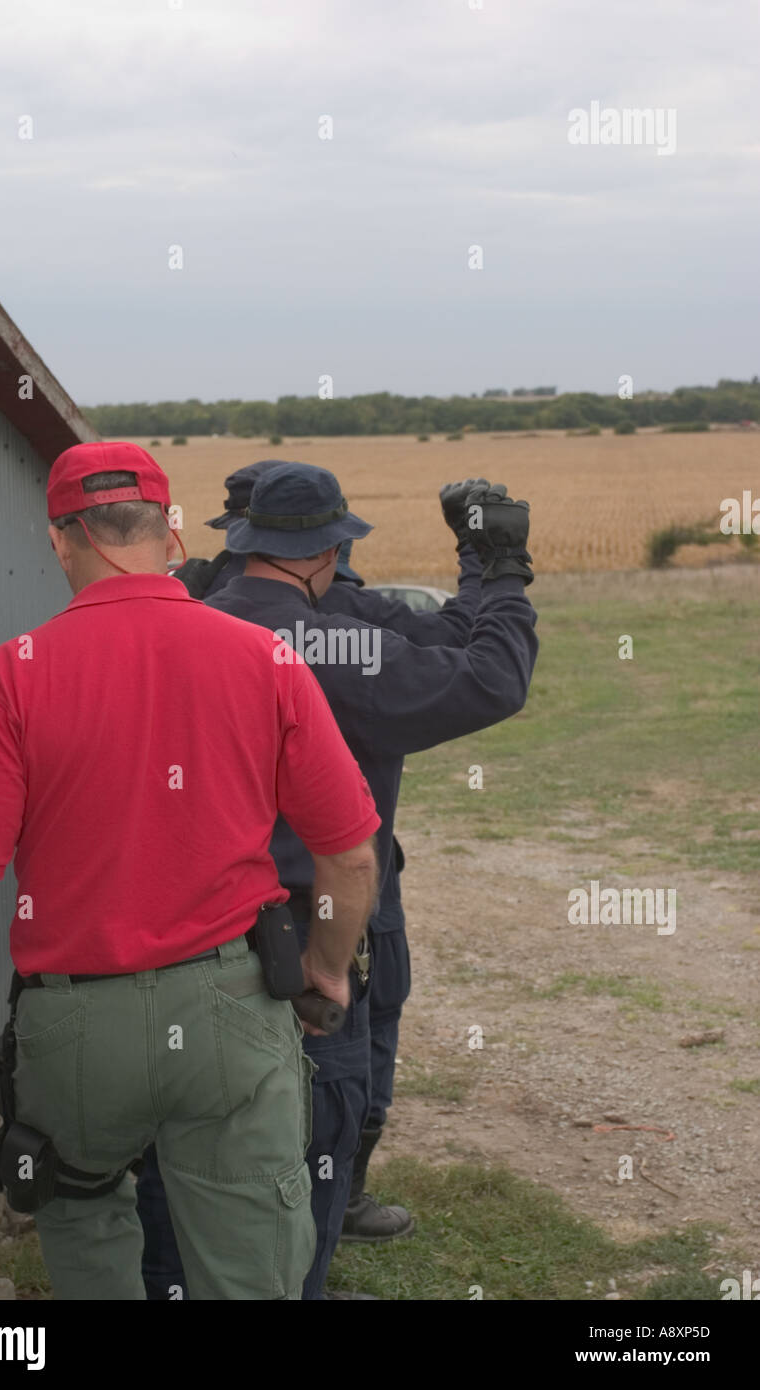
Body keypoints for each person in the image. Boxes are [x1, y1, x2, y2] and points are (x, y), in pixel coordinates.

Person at [0, 441, 380, 1302]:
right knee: (251, 1268)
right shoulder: (264, 660)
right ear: (171, 534)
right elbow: (346, 853)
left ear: (60, 540)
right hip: (234, 1013)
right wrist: (327, 970)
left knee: (88, 1242)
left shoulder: (11, 677)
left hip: (75, 1028)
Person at [141, 460, 538, 1300]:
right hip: (311, 938)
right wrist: (497, 568)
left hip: (191, 938)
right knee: (312, 1149)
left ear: (241, 537)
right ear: (329, 550)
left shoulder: (190, 622)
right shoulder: (337, 643)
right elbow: (489, 676)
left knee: (190, 1157)